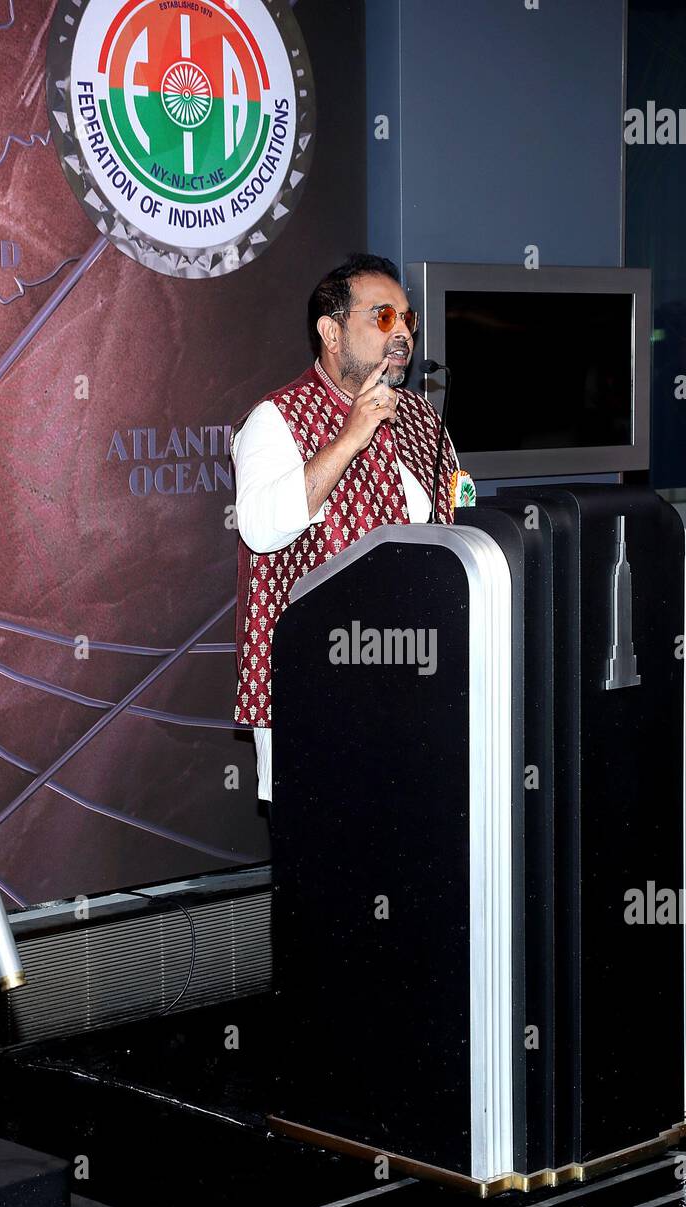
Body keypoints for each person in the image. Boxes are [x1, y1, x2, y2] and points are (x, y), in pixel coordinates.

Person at [230, 252, 460, 809]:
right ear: (331, 332)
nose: (402, 331)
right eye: (383, 318)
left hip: (418, 671)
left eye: (408, 319)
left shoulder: (422, 418)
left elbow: (451, 517)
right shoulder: (276, 419)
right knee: (331, 863)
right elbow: (260, 529)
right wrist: (351, 434)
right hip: (320, 681)